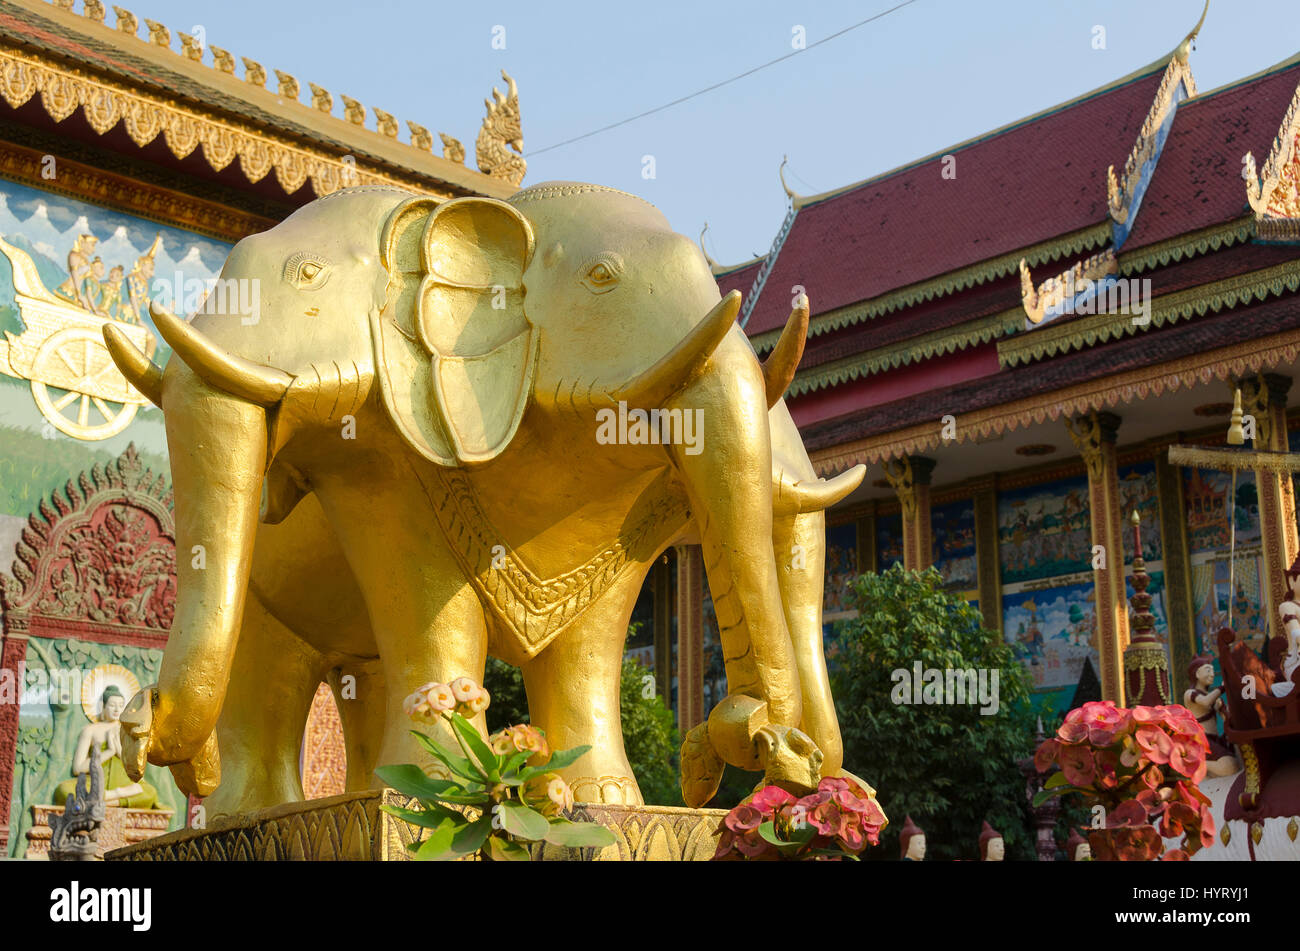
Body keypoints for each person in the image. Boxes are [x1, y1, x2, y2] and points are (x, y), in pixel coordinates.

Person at [54, 685, 159, 809]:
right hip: (94, 784)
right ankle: (110, 796)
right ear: (103, 706)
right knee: (64, 790)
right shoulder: (91, 730)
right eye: (112, 705)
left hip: (124, 784)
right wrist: (109, 752)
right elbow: (78, 768)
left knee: (150, 792)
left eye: (120, 705)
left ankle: (102, 802)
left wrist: (118, 750)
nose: (116, 709)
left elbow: (135, 767)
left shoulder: (128, 730)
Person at [1183, 655, 1239, 777]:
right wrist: (1223, 687)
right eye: (1208, 670)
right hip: (1201, 739)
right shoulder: (1190, 694)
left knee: (1237, 757)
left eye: (1213, 670)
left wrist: (1224, 710)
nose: (1212, 674)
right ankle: (1196, 763)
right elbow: (1206, 701)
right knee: (1231, 766)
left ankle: (1206, 768)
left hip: (1214, 739)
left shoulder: (1211, 696)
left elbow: (1224, 717)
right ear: (1197, 674)